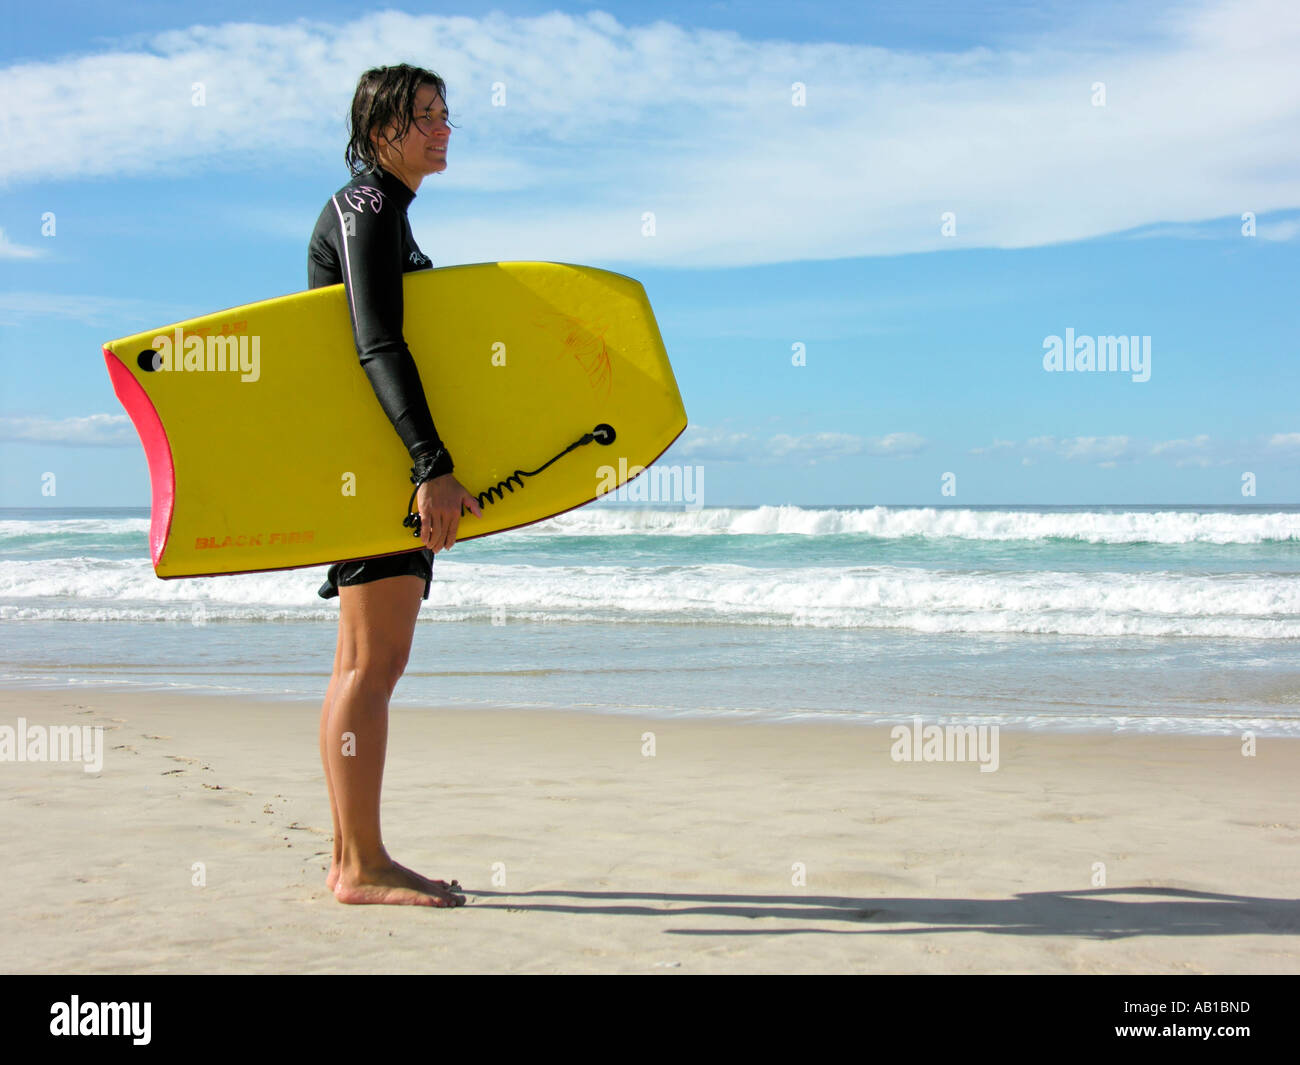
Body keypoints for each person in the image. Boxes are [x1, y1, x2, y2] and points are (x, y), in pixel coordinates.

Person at [308, 64, 481, 907]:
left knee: (356, 665)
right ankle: (364, 865)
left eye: (447, 114)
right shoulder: (368, 209)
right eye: (426, 117)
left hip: (367, 467)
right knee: (374, 666)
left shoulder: (381, 215)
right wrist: (430, 464)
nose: (444, 129)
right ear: (383, 131)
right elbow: (377, 343)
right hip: (380, 470)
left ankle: (347, 858)